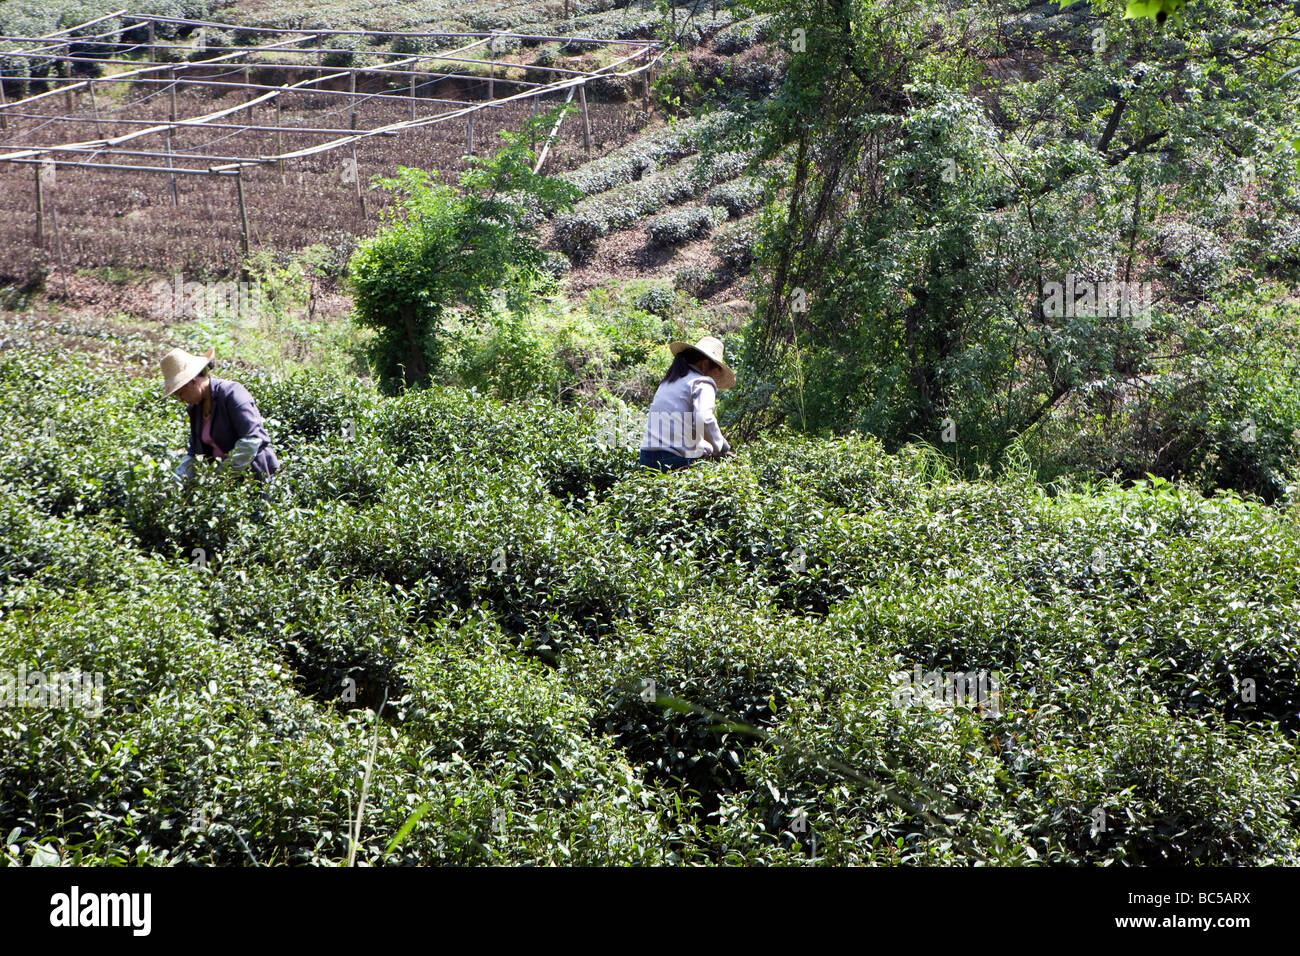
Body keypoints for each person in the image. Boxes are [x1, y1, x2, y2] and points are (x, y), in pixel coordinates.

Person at [159, 346, 280, 483]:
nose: (181, 399)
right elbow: (194, 452)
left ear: (191, 382)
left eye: (180, 394)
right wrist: (177, 480)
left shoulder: (232, 394)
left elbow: (251, 440)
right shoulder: (194, 409)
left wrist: (221, 475)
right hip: (226, 482)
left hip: (255, 476)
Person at [639, 335, 735, 472]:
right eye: (716, 369)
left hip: (646, 459)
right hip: (672, 460)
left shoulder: (669, 381)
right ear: (705, 364)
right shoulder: (702, 382)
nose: (715, 376)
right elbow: (704, 419)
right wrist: (721, 448)